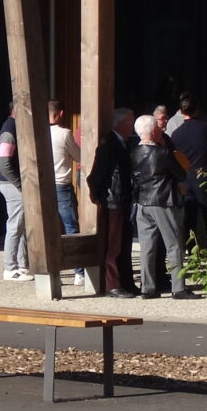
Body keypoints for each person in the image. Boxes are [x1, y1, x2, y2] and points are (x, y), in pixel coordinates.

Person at [128, 111, 189, 298]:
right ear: (154, 131)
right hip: (163, 201)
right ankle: (178, 288)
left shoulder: (133, 153)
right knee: (174, 244)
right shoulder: (163, 153)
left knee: (147, 247)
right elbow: (181, 174)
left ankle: (147, 287)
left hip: (142, 202)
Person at [87, 106, 139, 297]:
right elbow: (95, 176)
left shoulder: (124, 144)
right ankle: (112, 284)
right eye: (131, 121)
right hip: (112, 200)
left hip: (123, 200)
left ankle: (127, 282)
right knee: (114, 244)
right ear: (121, 124)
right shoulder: (108, 145)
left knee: (125, 243)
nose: (133, 126)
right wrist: (98, 197)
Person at [47, 99, 91, 289]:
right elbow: (79, 156)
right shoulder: (64, 134)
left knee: (48, 229)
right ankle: (78, 272)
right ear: (61, 114)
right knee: (71, 227)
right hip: (62, 185)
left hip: (44, 186)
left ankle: (49, 270)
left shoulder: (39, 133)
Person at [166, 91, 207, 252]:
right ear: (196, 109)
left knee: (188, 217)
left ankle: (190, 251)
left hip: (185, 179)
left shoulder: (176, 134)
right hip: (204, 176)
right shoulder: (206, 128)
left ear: (181, 110)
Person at [0, 108, 29, 281]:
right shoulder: (10, 130)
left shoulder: (15, 128)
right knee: (15, 225)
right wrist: (20, 185)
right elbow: (4, 164)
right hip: (11, 185)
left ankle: (22, 266)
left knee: (21, 225)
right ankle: (10, 268)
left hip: (13, 184)